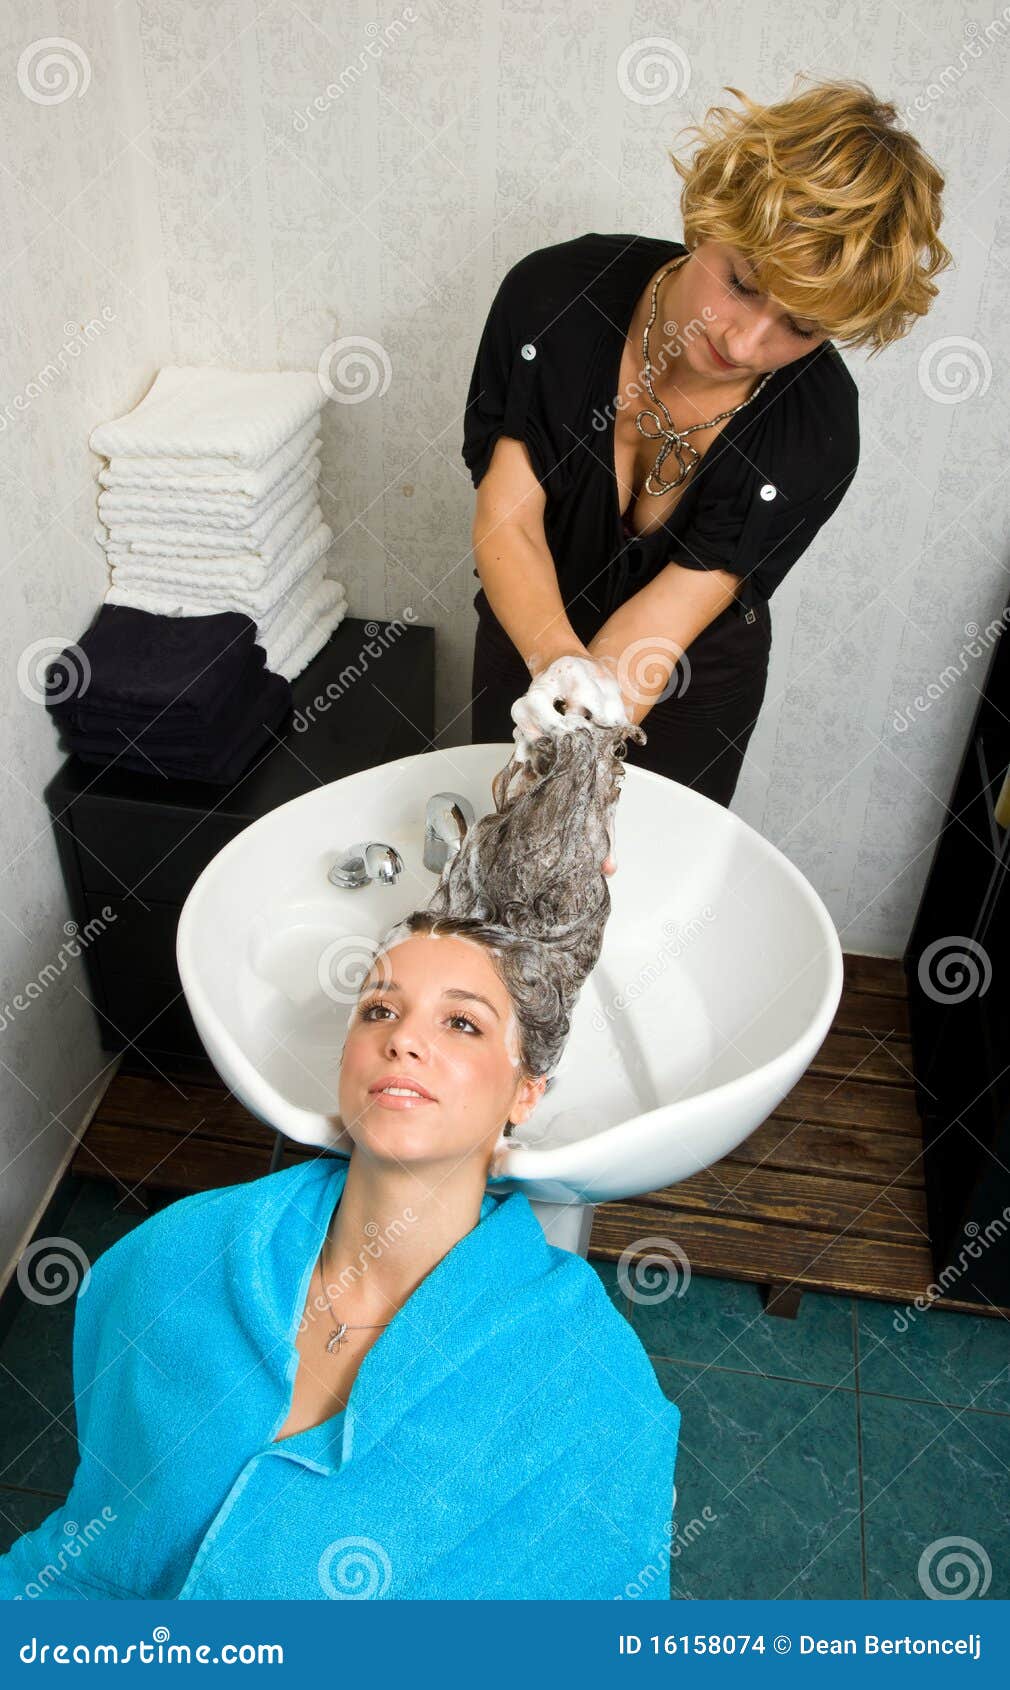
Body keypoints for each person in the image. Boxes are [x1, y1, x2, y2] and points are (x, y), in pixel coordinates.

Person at [0, 721, 679, 1602]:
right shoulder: (179, 1260)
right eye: (378, 1010)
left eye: (462, 1022)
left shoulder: (589, 1396)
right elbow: (97, 1538)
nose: (404, 1042)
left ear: (526, 1093)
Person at [465, 77, 953, 807]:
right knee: (499, 865)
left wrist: (583, 747)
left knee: (644, 896)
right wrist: (558, 676)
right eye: (743, 282)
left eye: (802, 327)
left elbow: (661, 627)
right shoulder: (552, 299)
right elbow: (509, 519)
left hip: (689, 685)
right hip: (524, 630)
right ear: (711, 219)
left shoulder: (814, 427)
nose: (746, 340)